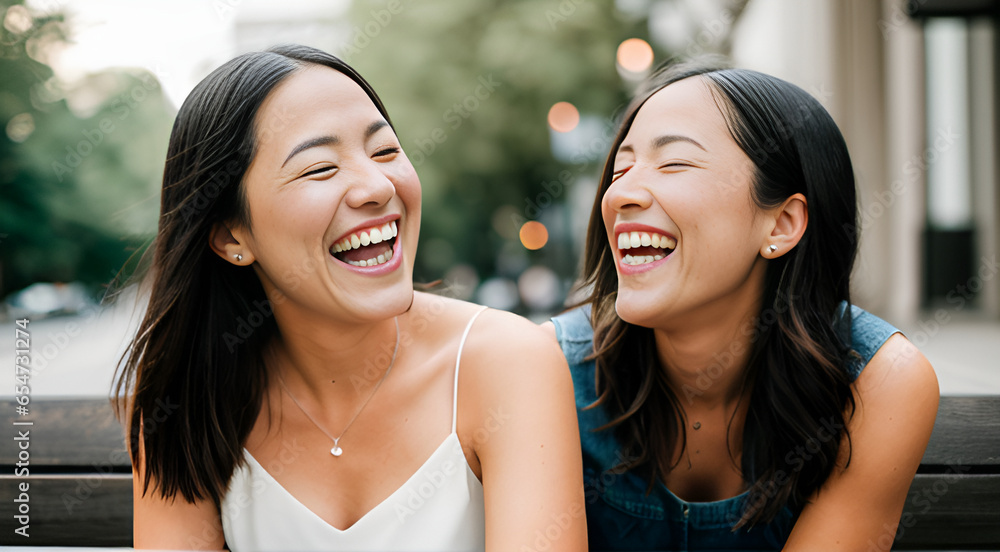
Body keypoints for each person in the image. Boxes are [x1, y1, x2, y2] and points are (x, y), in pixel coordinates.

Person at [114, 44, 586, 551]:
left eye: (385, 151)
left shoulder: (507, 361)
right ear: (232, 237)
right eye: (320, 168)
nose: (377, 186)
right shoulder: (187, 396)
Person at [545, 60, 939, 550]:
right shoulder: (545, 370)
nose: (618, 193)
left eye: (675, 163)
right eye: (621, 168)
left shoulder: (879, 380)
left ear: (781, 224)